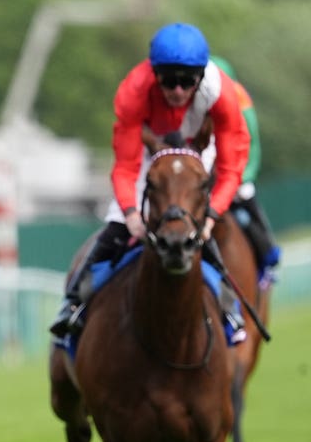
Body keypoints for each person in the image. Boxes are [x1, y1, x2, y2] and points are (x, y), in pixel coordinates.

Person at [50, 23, 251, 337]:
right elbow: (126, 168)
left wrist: (211, 215)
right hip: (151, 151)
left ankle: (229, 310)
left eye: (187, 82)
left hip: (198, 150)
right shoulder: (134, 91)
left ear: (201, 77)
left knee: (200, 230)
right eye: (169, 81)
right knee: (116, 227)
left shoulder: (221, 94)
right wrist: (131, 214)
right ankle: (74, 302)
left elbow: (230, 168)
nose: (178, 91)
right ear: (154, 73)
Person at [208, 55, 280, 293]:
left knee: (246, 205)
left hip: (237, 175)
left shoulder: (239, 99)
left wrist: (242, 176)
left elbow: (252, 144)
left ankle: (268, 255)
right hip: (212, 175)